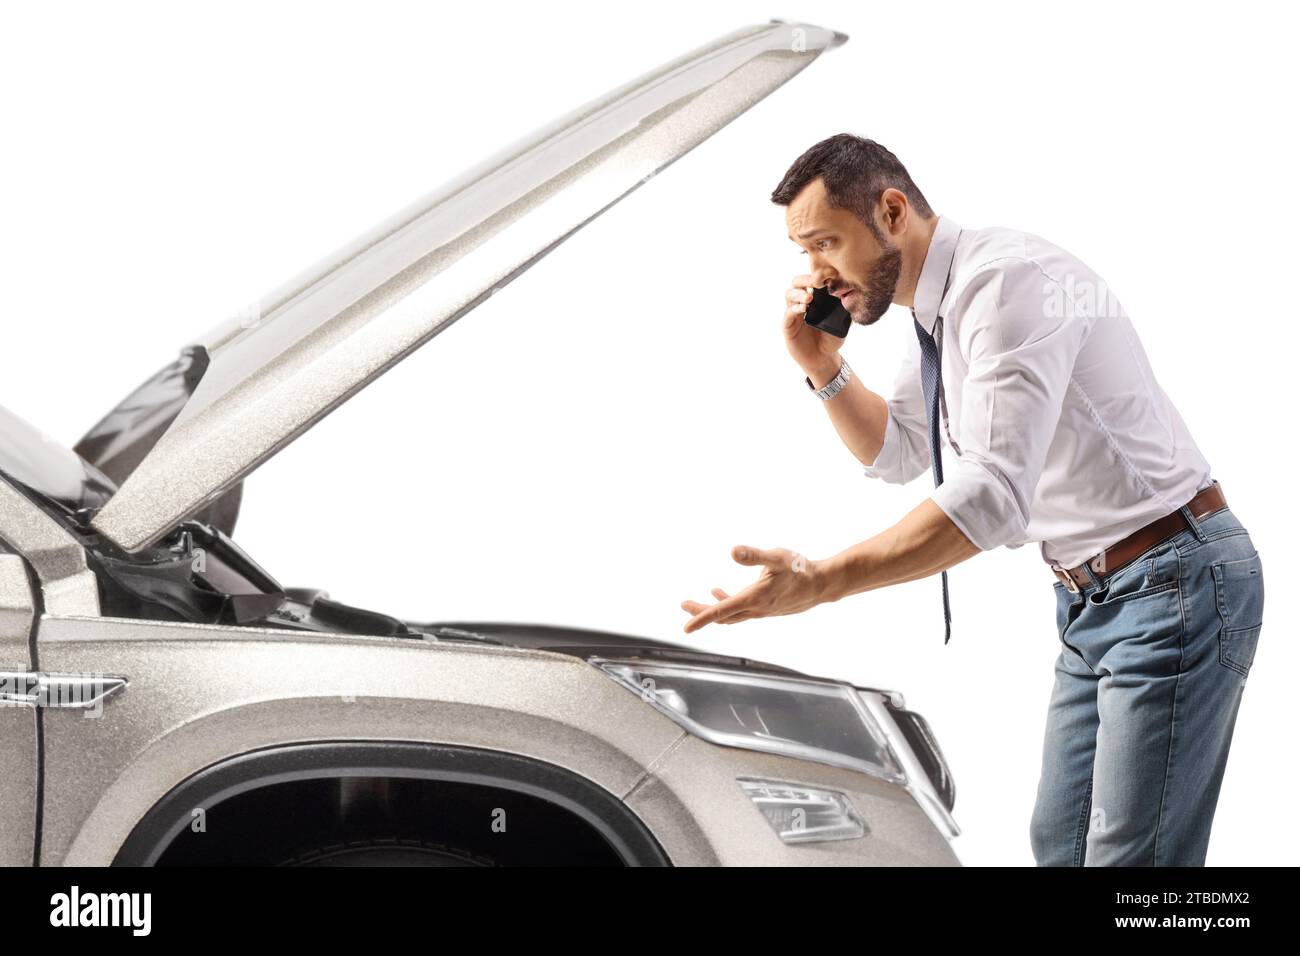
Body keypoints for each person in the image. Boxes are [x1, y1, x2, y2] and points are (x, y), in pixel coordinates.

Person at [679, 133, 1264, 866]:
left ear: (891, 211)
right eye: (803, 252)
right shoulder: (933, 308)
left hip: (1172, 581)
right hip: (1097, 597)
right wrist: (823, 367)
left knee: (1129, 864)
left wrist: (823, 581)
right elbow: (899, 450)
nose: (815, 271)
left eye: (825, 242)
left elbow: (989, 496)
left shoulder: (1007, 284)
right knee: (1061, 846)